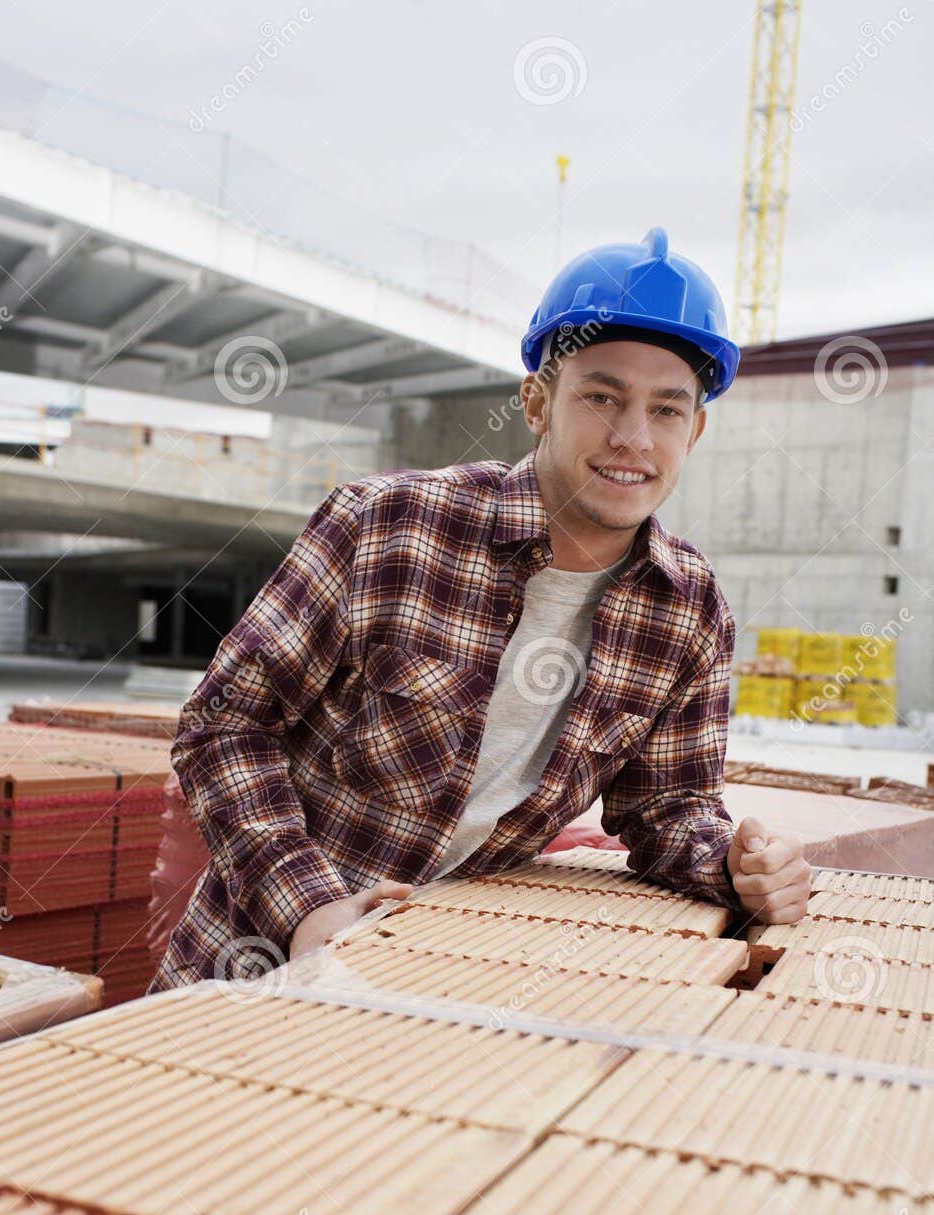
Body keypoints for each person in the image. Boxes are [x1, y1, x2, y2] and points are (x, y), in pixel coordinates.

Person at [150, 226, 811, 990]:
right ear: (537, 401)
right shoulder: (385, 526)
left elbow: (668, 806)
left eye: (665, 410)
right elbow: (225, 724)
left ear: (692, 431)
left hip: (447, 978)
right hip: (256, 956)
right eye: (602, 397)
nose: (632, 437)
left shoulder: (687, 608)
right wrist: (310, 909)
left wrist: (734, 864)